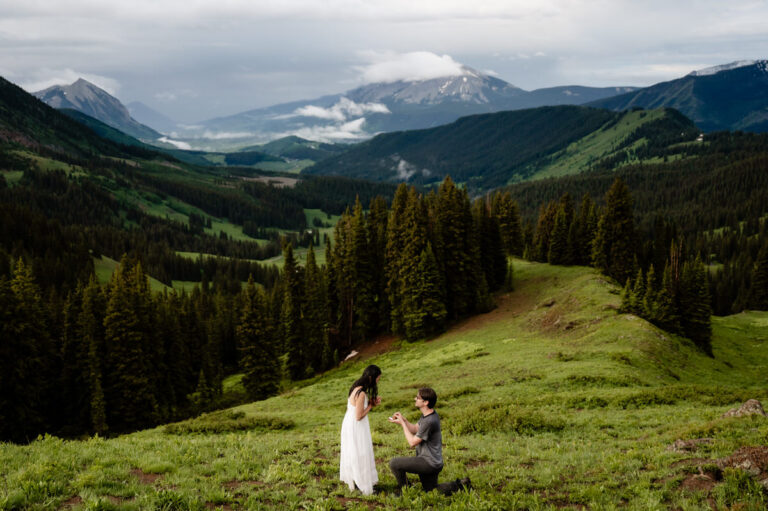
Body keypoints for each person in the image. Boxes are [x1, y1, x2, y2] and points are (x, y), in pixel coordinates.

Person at [388, 387, 470, 495]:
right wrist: (404, 420)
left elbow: (412, 442)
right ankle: (461, 484)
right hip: (433, 461)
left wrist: (403, 424)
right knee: (431, 490)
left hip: (428, 462)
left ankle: (406, 490)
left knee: (394, 463)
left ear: (425, 402)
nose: (415, 399)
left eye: (418, 397)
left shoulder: (429, 421)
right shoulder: (428, 415)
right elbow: (415, 429)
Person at [339, 364, 382, 495]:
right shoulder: (361, 393)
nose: (378, 381)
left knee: (355, 452)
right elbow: (358, 416)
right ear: (372, 377)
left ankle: (357, 481)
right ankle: (363, 484)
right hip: (356, 426)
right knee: (361, 452)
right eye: (378, 378)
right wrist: (371, 406)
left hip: (350, 423)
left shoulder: (356, 388)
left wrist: (370, 403)